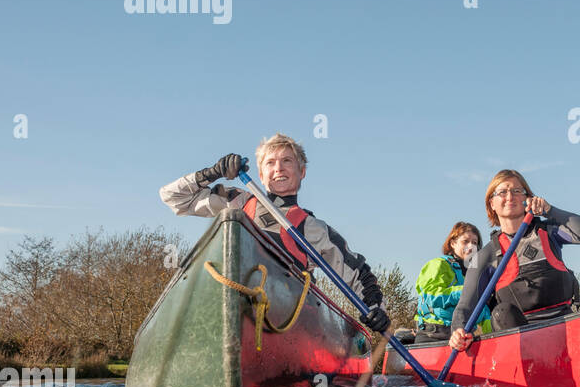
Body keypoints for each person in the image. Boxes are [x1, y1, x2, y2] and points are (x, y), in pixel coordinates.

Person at [159, 134, 390, 333]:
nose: (278, 168)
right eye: (270, 163)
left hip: (288, 321)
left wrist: (376, 309)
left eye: (287, 161)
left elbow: (358, 272)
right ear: (261, 174)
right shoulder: (236, 201)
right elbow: (173, 198)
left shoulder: (313, 228)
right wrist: (213, 173)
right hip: (233, 307)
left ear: (302, 172)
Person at [449, 170, 580, 351]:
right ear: (492, 204)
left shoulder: (549, 232)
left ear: (527, 198)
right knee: (501, 312)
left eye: (517, 191)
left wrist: (550, 211)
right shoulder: (485, 257)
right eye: (502, 192)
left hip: (566, 324)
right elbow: (465, 307)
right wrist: (458, 332)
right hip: (522, 340)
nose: (510, 196)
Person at [413, 222, 494, 342]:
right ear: (453, 244)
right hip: (434, 335)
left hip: (463, 337)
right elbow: (430, 295)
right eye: (465, 241)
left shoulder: (473, 274)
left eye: (475, 243)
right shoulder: (439, 264)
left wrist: (496, 336)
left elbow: (484, 312)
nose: (470, 246)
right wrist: (467, 292)